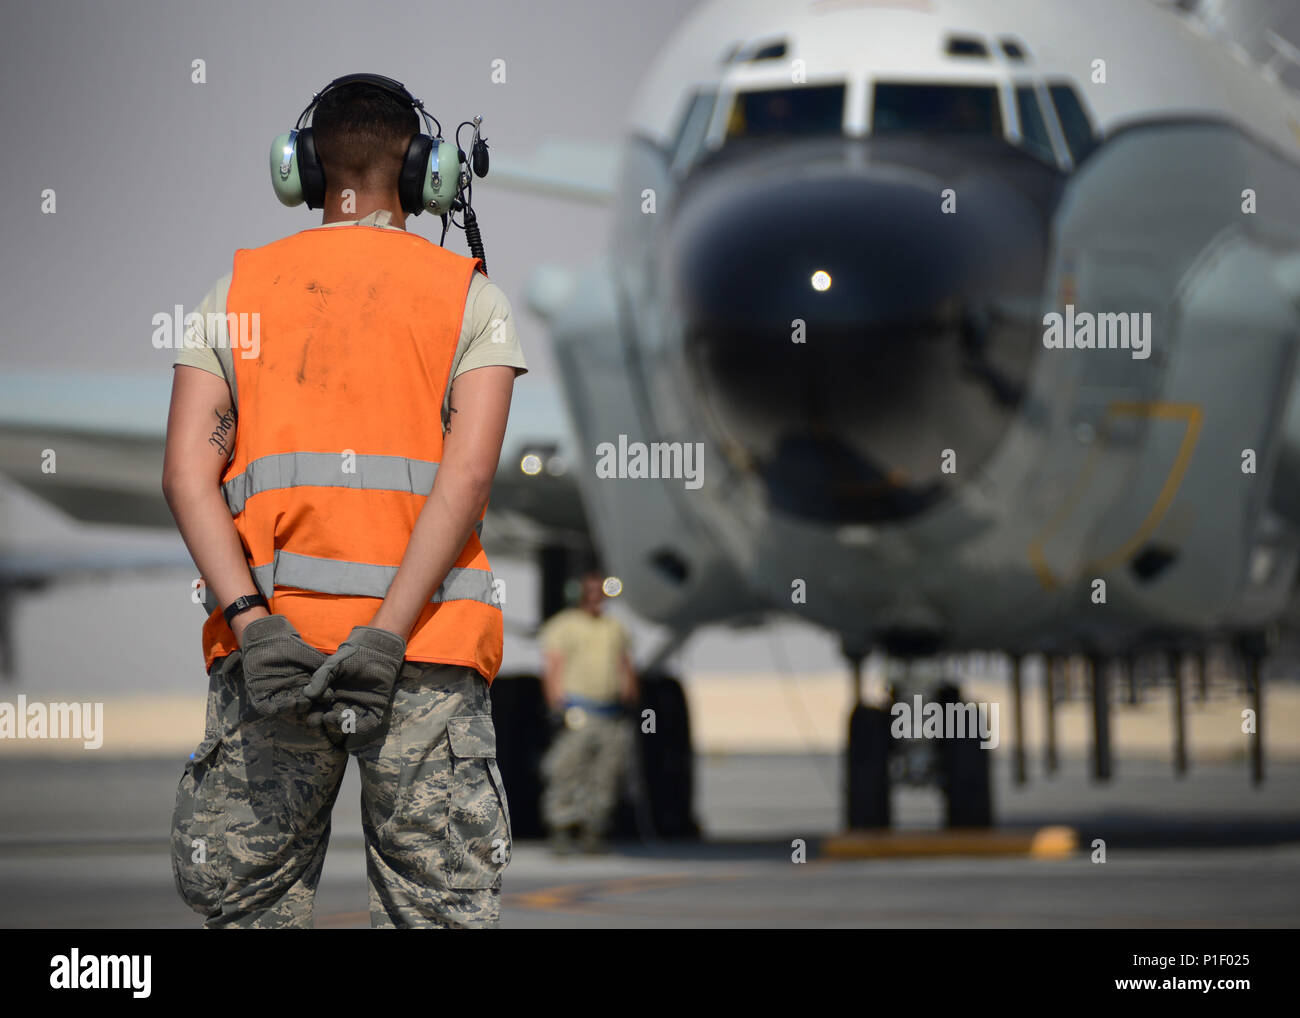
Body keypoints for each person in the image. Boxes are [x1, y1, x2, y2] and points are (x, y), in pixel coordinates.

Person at [161, 75, 525, 928]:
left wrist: (254, 625)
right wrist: (385, 636)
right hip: (422, 660)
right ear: (427, 174)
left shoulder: (234, 297)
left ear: (303, 172)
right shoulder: (470, 298)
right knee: (435, 910)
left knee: (249, 908)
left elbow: (187, 476)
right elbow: (465, 481)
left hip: (272, 666)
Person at [538, 571, 639, 853]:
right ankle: (561, 828)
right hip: (578, 711)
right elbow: (553, 668)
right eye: (590, 593)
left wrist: (632, 699)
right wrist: (557, 706)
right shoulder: (564, 626)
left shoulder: (614, 627)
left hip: (611, 713)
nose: (595, 599)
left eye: (600, 594)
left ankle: (594, 830)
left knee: (605, 774)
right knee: (567, 769)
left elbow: (625, 663)